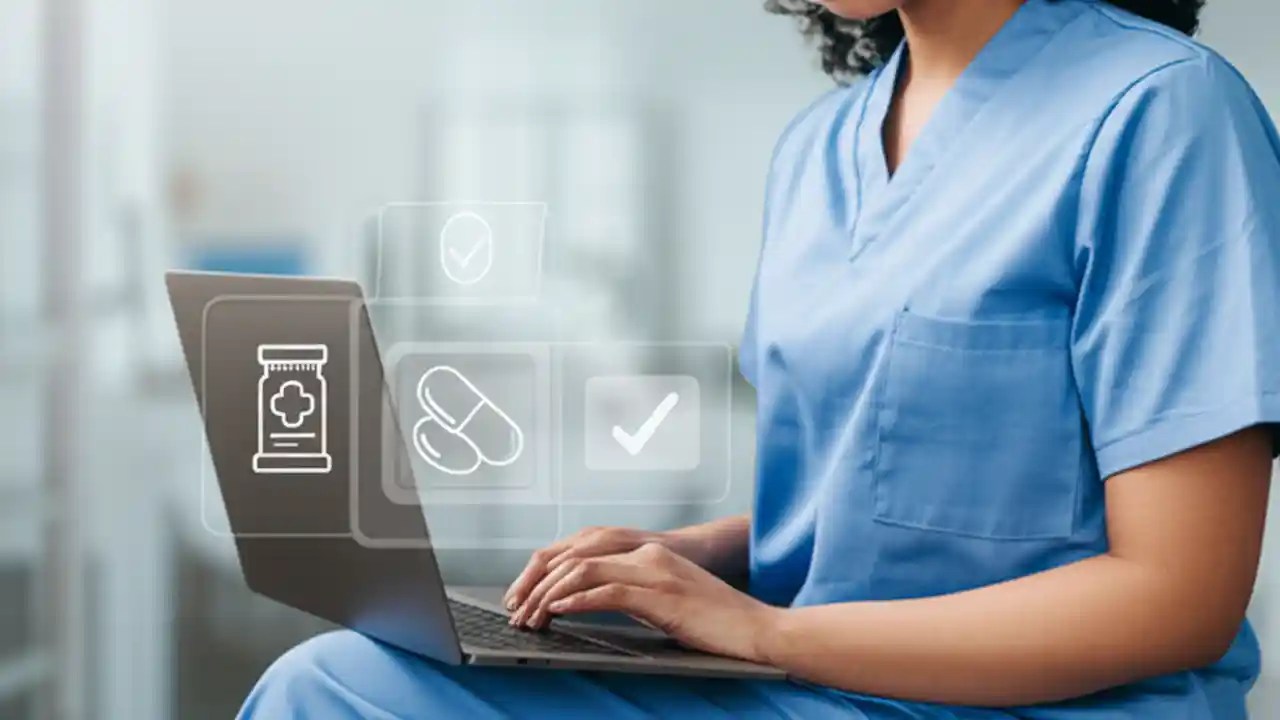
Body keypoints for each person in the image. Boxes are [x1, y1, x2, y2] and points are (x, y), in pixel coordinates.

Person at [239, 0, 1280, 717]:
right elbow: (897, 498)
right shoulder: (818, 148)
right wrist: (698, 557)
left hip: (1021, 709)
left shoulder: (1162, 112)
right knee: (331, 680)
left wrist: (760, 633)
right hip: (805, 688)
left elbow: (1173, 599)